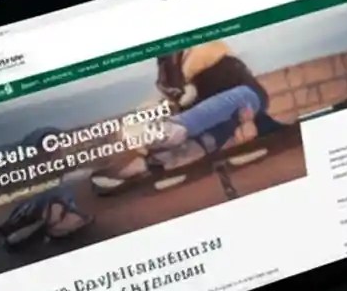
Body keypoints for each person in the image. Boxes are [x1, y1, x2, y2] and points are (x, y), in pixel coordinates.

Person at [91, 41, 281, 194]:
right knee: (203, 139)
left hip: (244, 99)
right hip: (213, 121)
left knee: (242, 96)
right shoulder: (170, 70)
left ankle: (169, 132)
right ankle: (145, 164)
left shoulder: (204, 53)